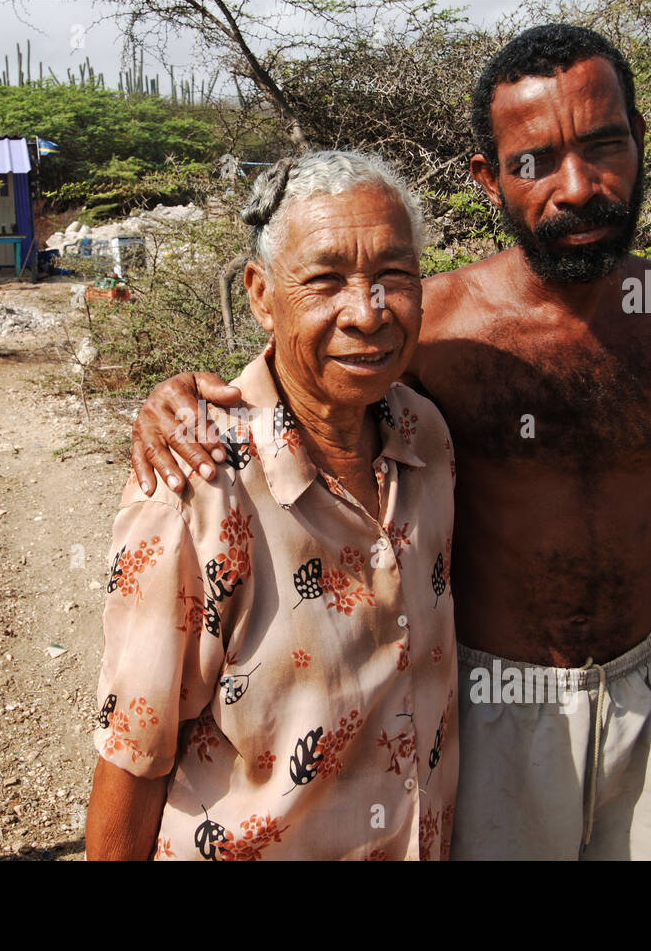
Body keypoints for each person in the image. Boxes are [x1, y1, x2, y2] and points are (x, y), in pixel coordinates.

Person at [128, 24, 651, 860]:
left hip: (649, 691)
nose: (577, 186)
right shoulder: (431, 332)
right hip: (485, 713)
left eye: (604, 146)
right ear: (488, 178)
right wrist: (177, 398)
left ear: (640, 143)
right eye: (535, 161)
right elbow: (298, 381)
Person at [86, 151, 459, 860]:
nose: (367, 311)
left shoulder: (430, 442)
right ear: (261, 295)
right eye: (325, 281)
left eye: (394, 276)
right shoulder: (198, 478)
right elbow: (134, 752)